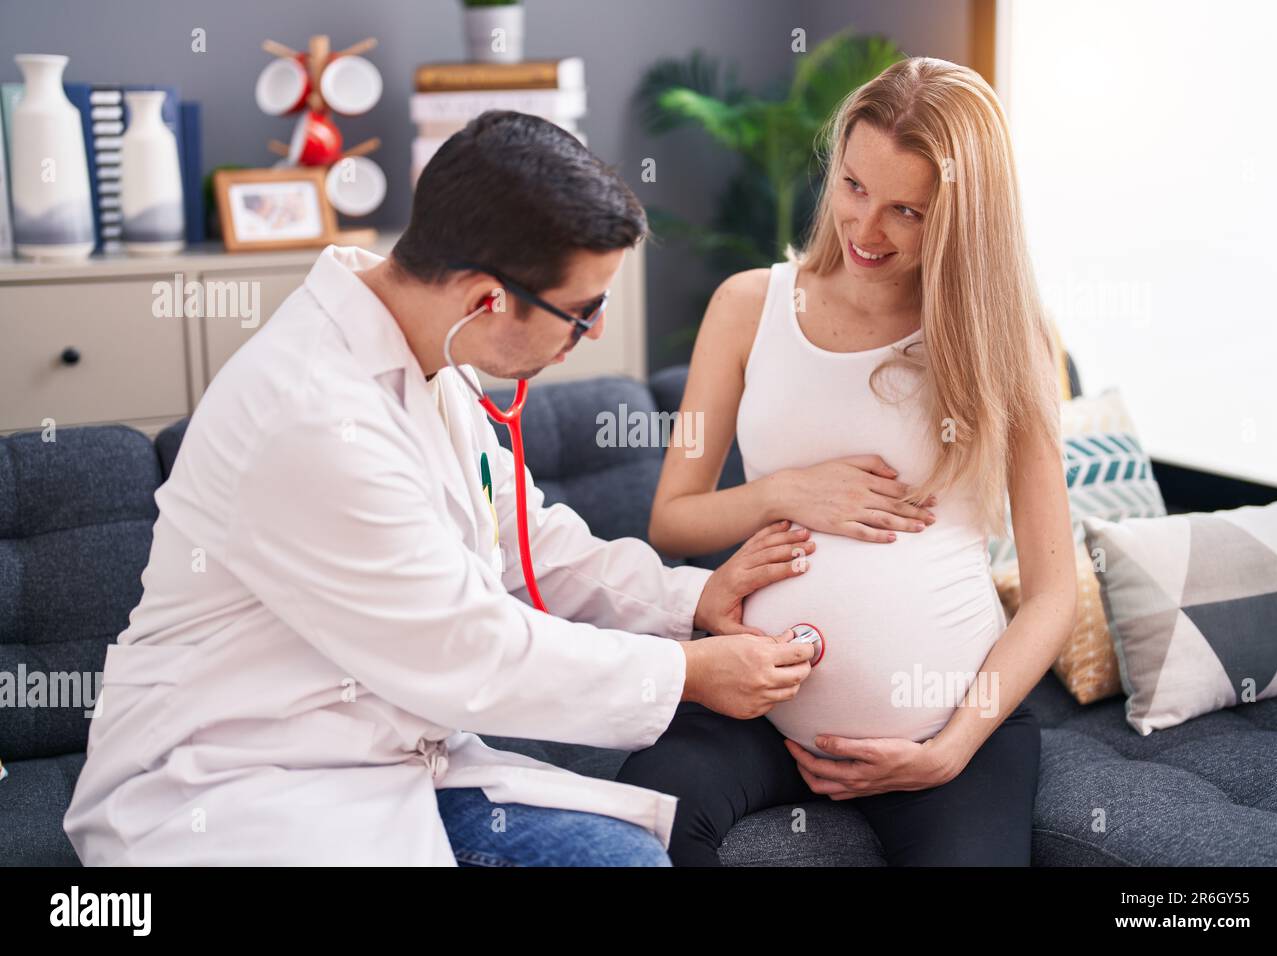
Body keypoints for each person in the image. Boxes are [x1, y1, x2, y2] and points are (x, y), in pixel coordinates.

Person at [63, 109, 907, 866]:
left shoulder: (429, 356)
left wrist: (695, 600)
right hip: (239, 781)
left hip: (391, 761)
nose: (597, 332)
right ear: (486, 299)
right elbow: (468, 649)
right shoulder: (312, 420)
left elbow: (530, 544)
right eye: (582, 311)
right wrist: (687, 671)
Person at [615, 58, 1078, 866]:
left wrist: (953, 747)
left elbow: (1053, 593)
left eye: (908, 210)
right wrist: (787, 492)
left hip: (948, 725)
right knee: (637, 826)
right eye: (855, 187)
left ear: (966, 217)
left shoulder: (1011, 340)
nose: (867, 231)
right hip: (757, 702)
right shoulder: (746, 307)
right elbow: (672, 518)